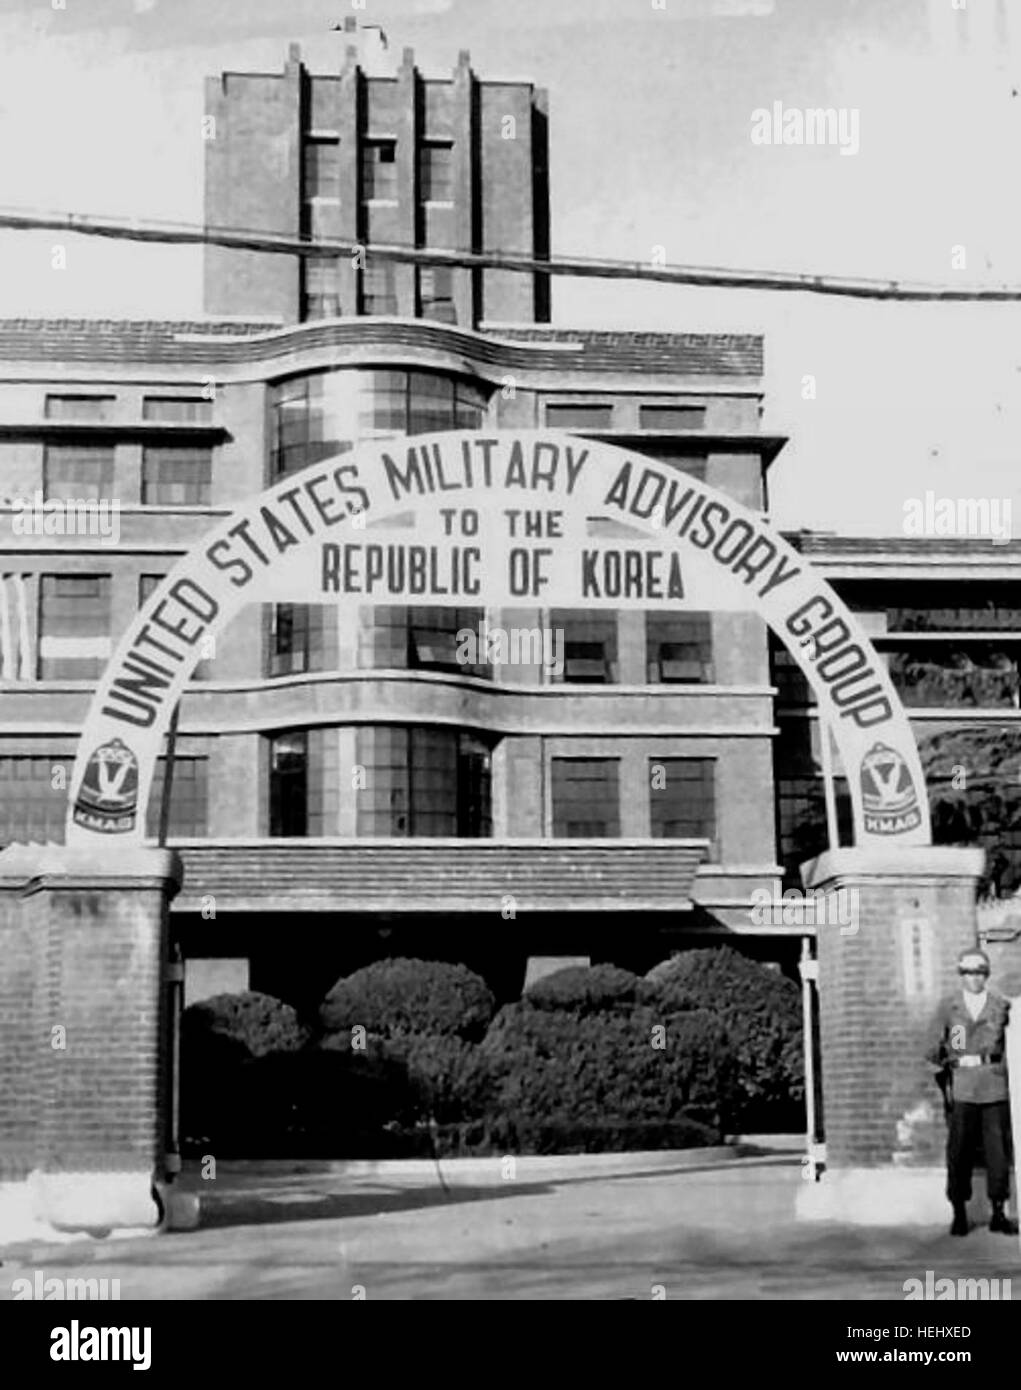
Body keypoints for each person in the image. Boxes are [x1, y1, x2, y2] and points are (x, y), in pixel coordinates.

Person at [928, 947, 1018, 1237]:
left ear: (987, 974)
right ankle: (959, 1212)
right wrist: (946, 1067)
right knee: (959, 1152)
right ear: (960, 975)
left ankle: (998, 1212)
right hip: (963, 1084)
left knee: (998, 1152)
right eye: (968, 972)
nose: (974, 978)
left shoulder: (1000, 1006)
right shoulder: (950, 1007)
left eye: (979, 972)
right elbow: (932, 1047)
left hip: (994, 1084)